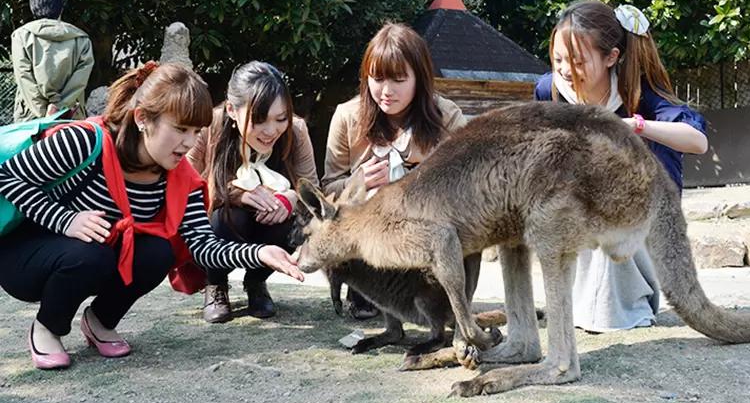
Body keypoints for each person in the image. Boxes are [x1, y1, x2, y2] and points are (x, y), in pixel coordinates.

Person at [0, 62, 303, 370]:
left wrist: (259, 252)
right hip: (26, 254)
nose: (189, 142)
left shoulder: (179, 176)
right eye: (180, 129)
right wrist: (66, 220)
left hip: (93, 250)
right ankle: (47, 327)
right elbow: (6, 176)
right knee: (93, 253)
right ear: (143, 119)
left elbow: (202, 244)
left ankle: (100, 321)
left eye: (196, 131)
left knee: (160, 251)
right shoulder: (85, 142)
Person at [535, 0, 708, 333]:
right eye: (558, 60)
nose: (566, 70)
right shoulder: (551, 91)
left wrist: (634, 126)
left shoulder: (640, 93)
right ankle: (577, 303)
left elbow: (697, 141)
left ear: (611, 57)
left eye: (577, 61)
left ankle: (629, 303)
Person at [322, 22, 467, 319]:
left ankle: (443, 296)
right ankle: (363, 291)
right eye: (377, 79)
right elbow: (328, 186)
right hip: (366, 233)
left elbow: (469, 182)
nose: (386, 91)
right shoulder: (347, 116)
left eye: (399, 79)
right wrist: (355, 182)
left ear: (420, 77)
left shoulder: (447, 117)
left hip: (428, 228)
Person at [187, 61, 319, 323]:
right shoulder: (209, 126)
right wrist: (236, 195)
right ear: (232, 111)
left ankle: (256, 281)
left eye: (281, 118)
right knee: (225, 218)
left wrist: (291, 199)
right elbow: (184, 187)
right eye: (258, 120)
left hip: (268, 225)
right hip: (222, 226)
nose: (271, 131)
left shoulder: (297, 130)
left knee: (295, 224)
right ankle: (216, 284)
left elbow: (313, 190)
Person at [11, 0, 94, 121]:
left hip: (30, 116)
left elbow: (24, 75)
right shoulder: (81, 39)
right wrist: (59, 107)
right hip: (71, 114)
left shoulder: (21, 36)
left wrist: (44, 112)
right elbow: (80, 80)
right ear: (61, 9)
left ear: (33, 9)